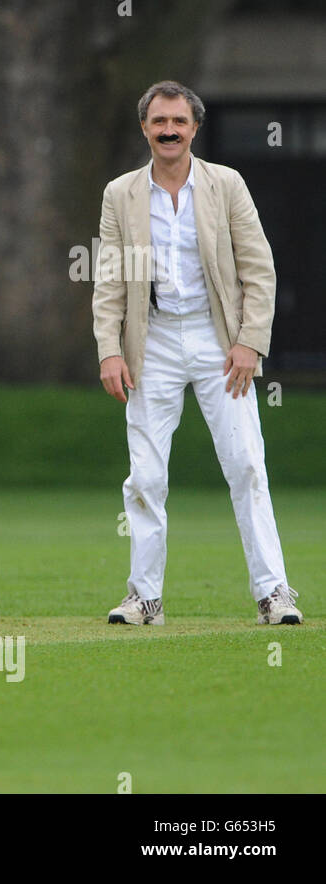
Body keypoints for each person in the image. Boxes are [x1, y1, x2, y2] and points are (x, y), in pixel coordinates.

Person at [92, 81, 302, 626]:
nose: (168, 130)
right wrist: (109, 350)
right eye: (159, 121)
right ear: (144, 127)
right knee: (145, 475)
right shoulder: (121, 194)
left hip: (218, 341)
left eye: (178, 122)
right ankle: (144, 596)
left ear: (194, 128)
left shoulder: (225, 184)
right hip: (152, 340)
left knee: (246, 465)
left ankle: (274, 592)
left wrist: (249, 342)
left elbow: (259, 268)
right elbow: (111, 279)